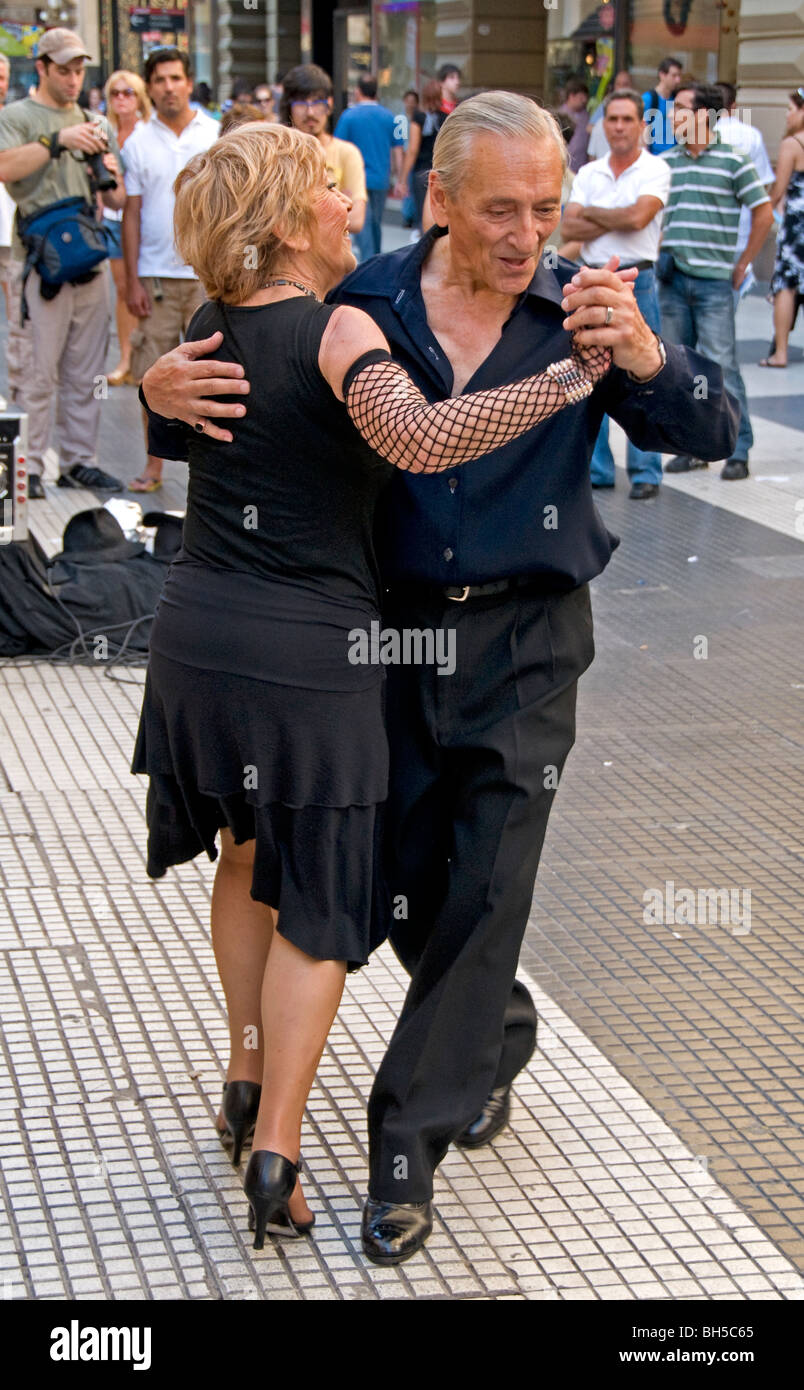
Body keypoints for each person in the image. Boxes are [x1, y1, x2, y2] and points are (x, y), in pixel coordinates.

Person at [141, 92, 738, 1264]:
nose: (529, 234)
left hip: (528, 643)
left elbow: (706, 425)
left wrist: (647, 355)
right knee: (413, 883)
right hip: (388, 643)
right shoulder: (360, 303)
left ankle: (403, 1145)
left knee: (489, 886)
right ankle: (490, 1031)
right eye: (503, 209)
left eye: (548, 208)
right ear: (444, 201)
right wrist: (156, 392)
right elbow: (250, 405)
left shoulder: (585, 309)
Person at [0, 27, 125, 500]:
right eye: (64, 70)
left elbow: (115, 197)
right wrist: (58, 140)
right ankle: (25, 469)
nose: (74, 79)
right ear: (43, 68)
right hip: (40, 264)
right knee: (35, 370)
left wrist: (108, 171)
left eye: (79, 70)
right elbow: (4, 168)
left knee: (89, 371)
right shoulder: (18, 116)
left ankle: (80, 460)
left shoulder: (96, 121)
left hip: (88, 260)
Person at [658, 81, 772, 479]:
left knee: (722, 364)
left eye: (680, 109)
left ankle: (739, 449)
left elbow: (764, 213)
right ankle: (693, 448)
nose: (672, 117)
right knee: (679, 369)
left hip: (713, 284)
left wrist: (743, 264)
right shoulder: (668, 162)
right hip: (671, 280)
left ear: (704, 115)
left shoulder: (734, 159)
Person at [561, 89, 670, 499]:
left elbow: (640, 217)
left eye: (627, 119)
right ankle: (599, 469)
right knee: (590, 374)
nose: (620, 126)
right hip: (590, 279)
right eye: (612, 119)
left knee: (648, 372)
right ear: (602, 125)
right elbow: (569, 229)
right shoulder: (589, 172)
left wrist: (594, 214)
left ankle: (646, 472)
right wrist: (619, 219)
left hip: (636, 282)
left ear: (643, 125)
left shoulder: (656, 169)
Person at [122, 47, 218, 493]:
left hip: (208, 277)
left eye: (175, 78)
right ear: (151, 87)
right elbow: (131, 214)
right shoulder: (137, 142)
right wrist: (132, 279)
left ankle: (210, 475)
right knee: (152, 378)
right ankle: (154, 467)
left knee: (215, 376)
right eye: (159, 80)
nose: (167, 87)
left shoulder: (215, 134)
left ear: (188, 81)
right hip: (156, 279)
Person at [102, 69, 150, 386]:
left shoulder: (148, 132)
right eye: (115, 93)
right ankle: (126, 358)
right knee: (122, 290)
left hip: (143, 219)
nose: (121, 98)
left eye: (128, 92)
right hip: (111, 217)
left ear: (139, 98)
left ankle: (146, 355)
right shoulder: (103, 132)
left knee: (145, 286)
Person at [280, 64, 366, 237]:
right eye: (302, 103)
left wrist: (299, 217)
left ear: (330, 104)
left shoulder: (347, 153)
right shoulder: (278, 152)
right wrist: (337, 209)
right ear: (289, 106)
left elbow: (356, 220)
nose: (310, 112)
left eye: (317, 102)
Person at [334, 74, 404, 261]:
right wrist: (401, 179)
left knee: (362, 225)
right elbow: (398, 150)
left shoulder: (348, 116)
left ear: (358, 91)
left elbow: (338, 148)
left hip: (357, 179)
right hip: (381, 178)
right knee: (375, 224)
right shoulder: (390, 117)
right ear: (376, 92)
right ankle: (377, 261)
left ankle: (368, 263)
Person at [715, 81, 774, 301]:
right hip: (740, 233)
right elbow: (763, 184)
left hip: (701, 240)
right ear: (734, 106)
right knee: (729, 306)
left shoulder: (697, 137)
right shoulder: (751, 136)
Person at [761, 89, 804, 368]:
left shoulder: (793, 144)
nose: (787, 115)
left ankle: (781, 352)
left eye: (790, 109)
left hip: (797, 224)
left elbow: (779, 188)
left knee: (786, 284)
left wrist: (765, 211)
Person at [394, 78, 444, 233]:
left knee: (423, 219)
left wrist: (402, 179)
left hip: (422, 172)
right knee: (439, 217)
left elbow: (413, 149)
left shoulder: (418, 117)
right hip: (441, 173)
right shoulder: (446, 117)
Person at [587, 70, 633, 160]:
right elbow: (589, 128)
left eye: (625, 84)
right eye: (618, 84)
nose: (621, 88)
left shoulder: (637, 105)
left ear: (631, 86)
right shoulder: (607, 103)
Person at [642, 56, 682, 155]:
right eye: (674, 75)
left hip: (674, 155)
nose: (678, 80)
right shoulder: (648, 99)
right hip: (654, 156)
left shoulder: (677, 99)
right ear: (662, 75)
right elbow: (641, 129)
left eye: (679, 76)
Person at [559, 77, 590, 172]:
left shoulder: (586, 115)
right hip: (564, 166)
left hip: (582, 165)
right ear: (571, 96)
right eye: (581, 98)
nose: (584, 101)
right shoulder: (560, 115)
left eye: (585, 98)